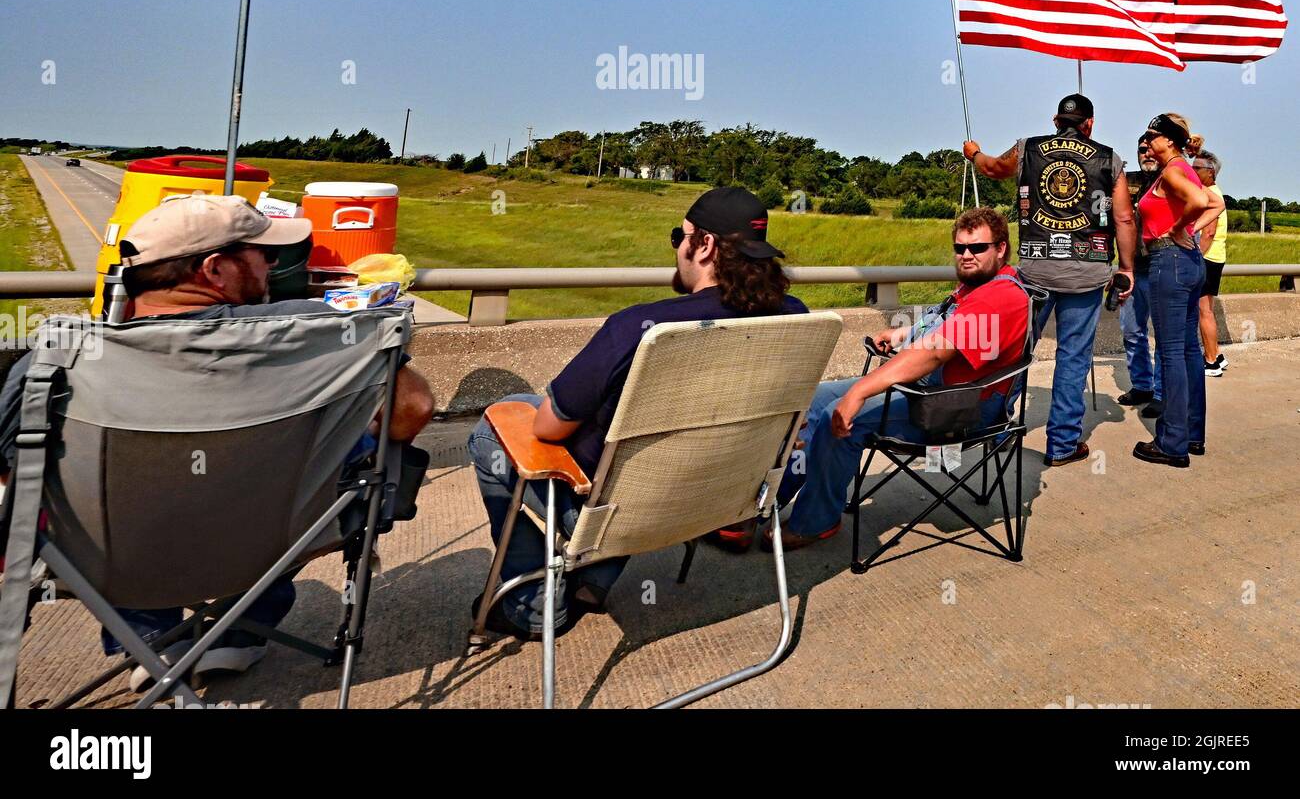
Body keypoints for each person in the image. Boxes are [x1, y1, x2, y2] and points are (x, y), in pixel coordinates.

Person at [0, 194, 434, 688]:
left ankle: (152, 640)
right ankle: (240, 633)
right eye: (264, 254)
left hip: (111, 562)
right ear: (215, 269)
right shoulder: (315, 336)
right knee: (351, 456)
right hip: (268, 545)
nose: (275, 264)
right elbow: (411, 412)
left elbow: (17, 480)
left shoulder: (52, 361)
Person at [468, 186, 807, 638]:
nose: (677, 248)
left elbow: (548, 428)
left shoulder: (641, 327)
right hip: (721, 496)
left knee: (499, 424)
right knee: (645, 448)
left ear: (703, 245)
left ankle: (533, 605)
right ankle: (591, 583)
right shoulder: (795, 319)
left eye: (678, 237)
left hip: (621, 509)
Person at [759, 208, 1029, 550]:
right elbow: (942, 325)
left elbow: (933, 353)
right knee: (815, 400)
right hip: (932, 391)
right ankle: (769, 502)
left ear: (1001, 248)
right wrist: (903, 334)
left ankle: (817, 521)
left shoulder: (1001, 297)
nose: (966, 256)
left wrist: (860, 391)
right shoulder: (975, 288)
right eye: (959, 248)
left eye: (977, 248)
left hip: (961, 410)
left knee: (841, 415)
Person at [964, 94, 1135, 466]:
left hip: (1035, 271)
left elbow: (993, 168)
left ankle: (993, 428)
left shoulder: (1027, 148)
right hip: (1087, 271)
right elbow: (1123, 219)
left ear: (1055, 121)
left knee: (1015, 350)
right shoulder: (1110, 157)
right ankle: (1062, 445)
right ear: (1090, 124)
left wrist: (974, 154)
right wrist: (1126, 268)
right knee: (1073, 358)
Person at [1131, 113, 1216, 467]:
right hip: (1191, 262)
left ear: (1168, 141)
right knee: (1189, 352)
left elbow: (1200, 203)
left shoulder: (1172, 170)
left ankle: (1172, 442)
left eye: (1152, 137)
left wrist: (1178, 228)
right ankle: (1192, 433)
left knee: (1171, 354)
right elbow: (1217, 203)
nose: (1147, 143)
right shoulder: (1186, 167)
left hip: (1170, 262)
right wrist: (1190, 231)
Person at [1117, 135, 1163, 414]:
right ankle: (1142, 385)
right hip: (1131, 268)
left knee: (1164, 336)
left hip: (1160, 266)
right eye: (1141, 150)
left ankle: (1161, 392)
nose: (1146, 154)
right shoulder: (1125, 180)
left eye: (1150, 149)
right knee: (1132, 331)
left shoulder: (1170, 178)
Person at [1192, 150, 1228, 377]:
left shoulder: (1210, 196)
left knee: (1203, 311)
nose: (1192, 171)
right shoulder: (1215, 192)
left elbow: (1209, 232)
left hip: (1207, 258)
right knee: (1208, 311)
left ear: (1211, 172)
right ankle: (1217, 354)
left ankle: (1211, 362)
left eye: (1197, 168)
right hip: (1215, 258)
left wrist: (1196, 259)